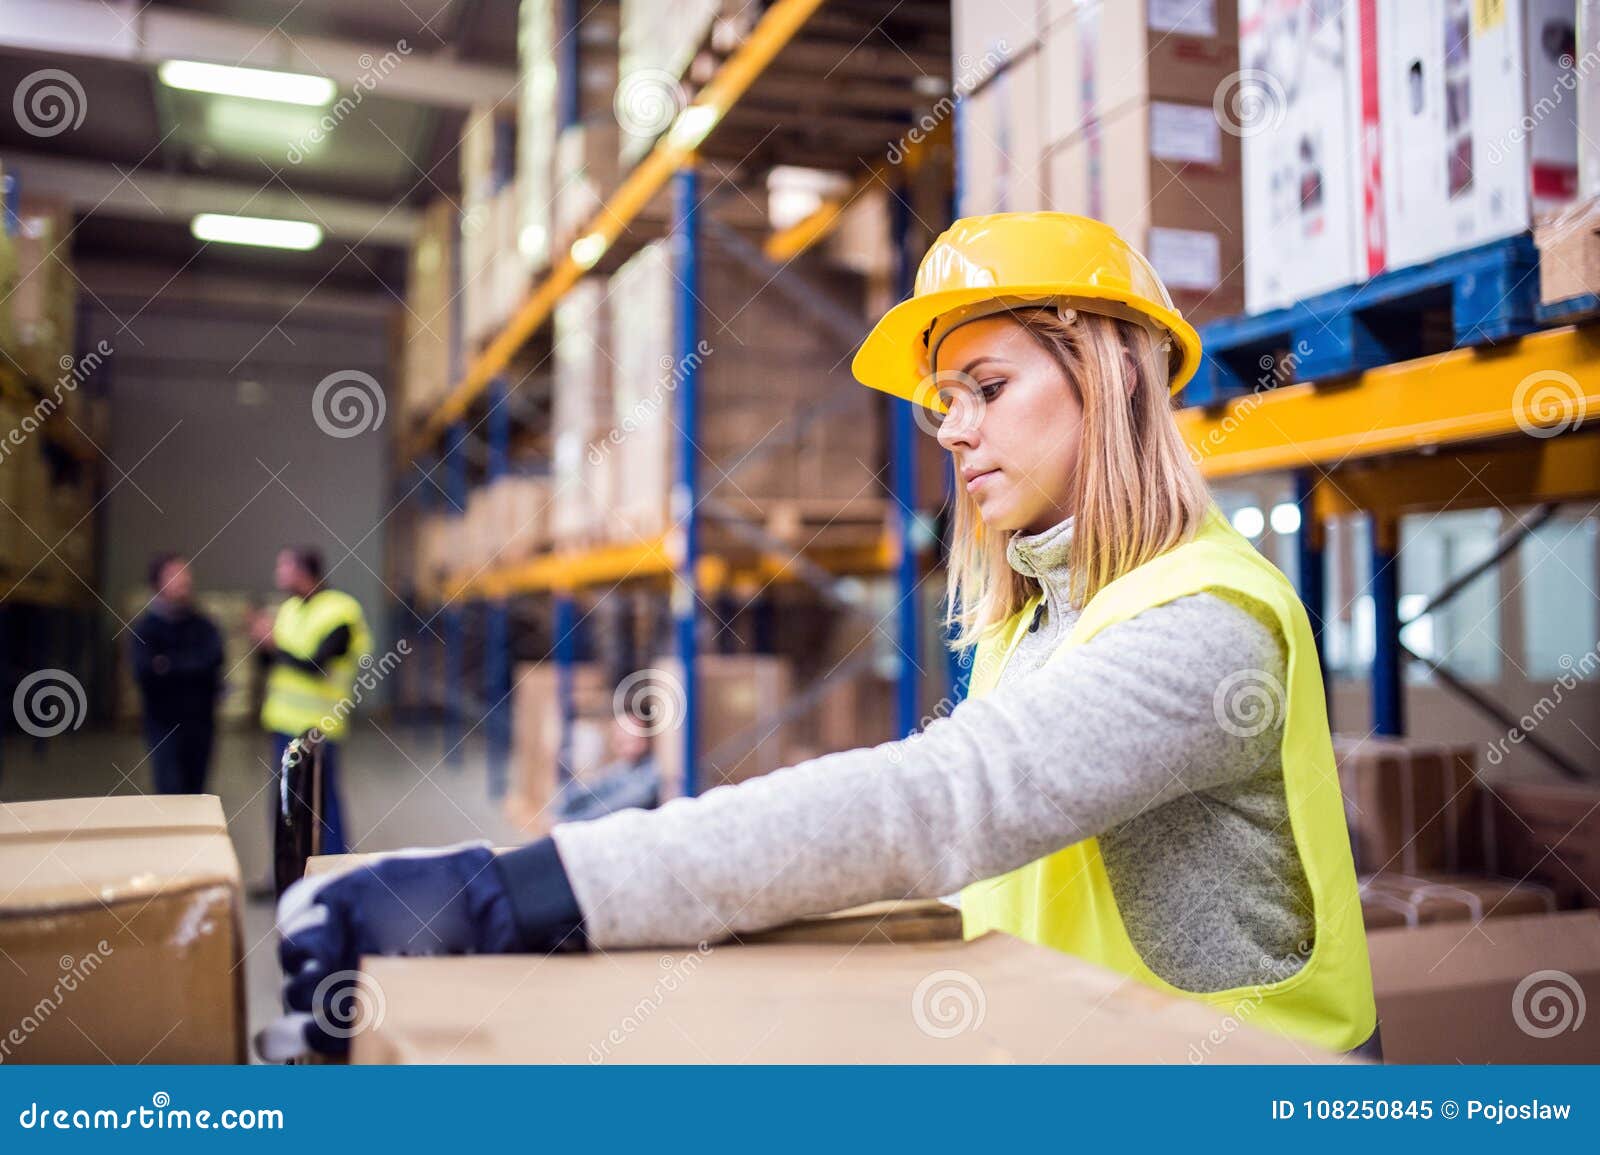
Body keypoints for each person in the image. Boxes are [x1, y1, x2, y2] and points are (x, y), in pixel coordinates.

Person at [261, 213, 1379, 1062]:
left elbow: (942, 803)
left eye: (987, 388)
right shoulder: (1035, 623)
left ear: (1110, 378)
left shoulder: (1202, 629)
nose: (954, 430)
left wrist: (521, 890)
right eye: (943, 401)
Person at [251, 546, 371, 859]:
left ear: (304, 572)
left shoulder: (341, 612)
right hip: (282, 723)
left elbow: (318, 666)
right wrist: (264, 647)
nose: (278, 574)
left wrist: (274, 646)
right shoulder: (289, 608)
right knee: (285, 802)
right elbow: (277, 662)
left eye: (284, 567)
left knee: (323, 801)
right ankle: (286, 868)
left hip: (319, 727)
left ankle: (333, 866)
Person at [129, 554, 223, 795]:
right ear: (157, 583)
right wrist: (190, 667)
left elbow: (213, 662)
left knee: (196, 792)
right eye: (175, 575)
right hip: (163, 724)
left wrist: (169, 665)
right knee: (170, 792)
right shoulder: (146, 629)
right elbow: (145, 672)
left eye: (186, 574)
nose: (184, 580)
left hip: (200, 724)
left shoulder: (204, 625)